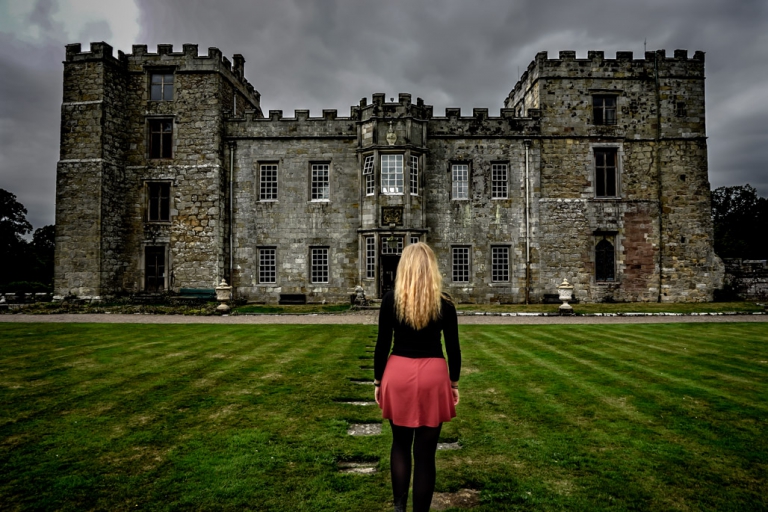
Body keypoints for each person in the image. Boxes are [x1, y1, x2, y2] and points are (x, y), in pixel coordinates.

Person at [373, 242, 461, 512]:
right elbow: (454, 349)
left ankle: (400, 508)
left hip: (398, 373)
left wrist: (377, 381)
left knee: (400, 444)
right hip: (433, 375)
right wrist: (454, 383)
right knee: (425, 455)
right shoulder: (444, 303)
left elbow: (382, 344)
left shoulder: (391, 300)